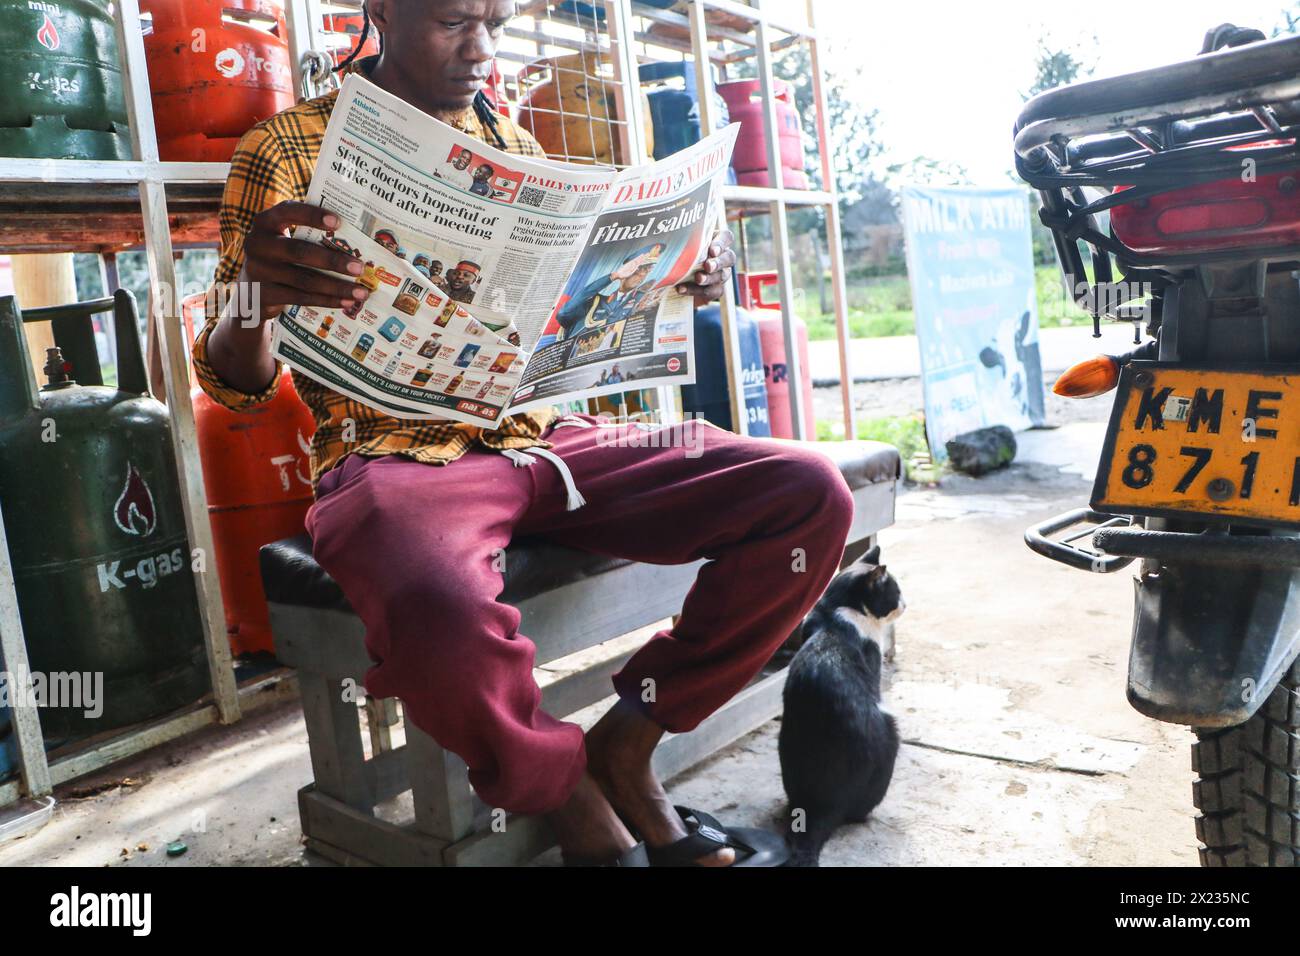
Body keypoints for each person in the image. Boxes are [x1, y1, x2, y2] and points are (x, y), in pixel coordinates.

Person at [192, 0, 851, 868]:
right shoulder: (287, 151)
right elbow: (233, 382)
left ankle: (629, 740)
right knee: (430, 599)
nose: (482, 50)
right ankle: (568, 790)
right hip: (397, 457)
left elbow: (562, 313)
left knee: (808, 495)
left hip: (553, 435)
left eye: (495, 24)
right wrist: (257, 300)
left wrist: (677, 267)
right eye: (455, 23)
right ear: (382, 12)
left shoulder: (512, 140)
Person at [556, 244, 663, 342]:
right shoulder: (595, 302)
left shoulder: (641, 301)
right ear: (626, 270)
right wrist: (613, 276)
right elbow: (563, 313)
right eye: (639, 269)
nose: (642, 275)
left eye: (647, 270)